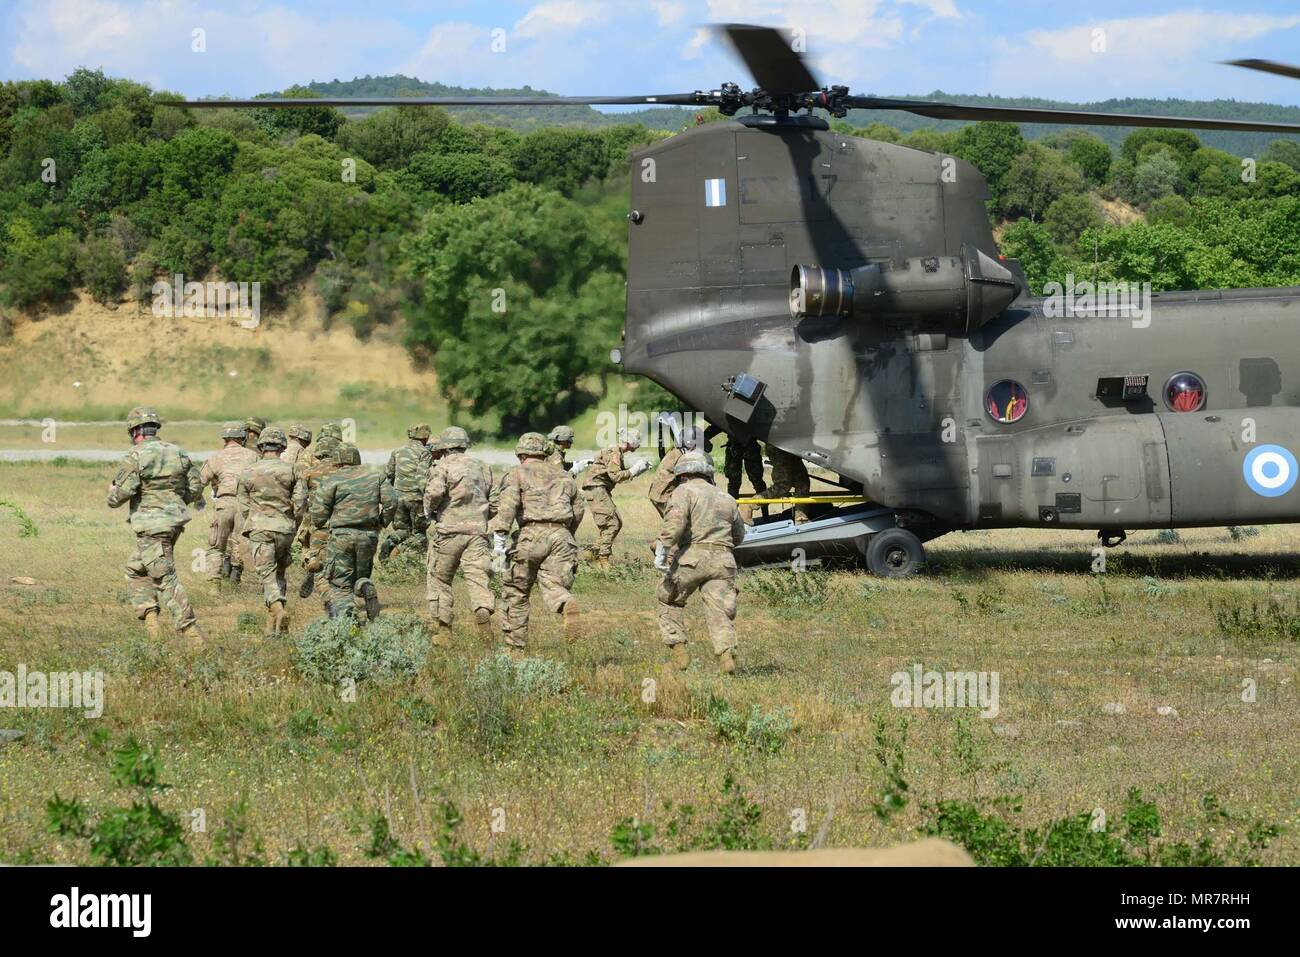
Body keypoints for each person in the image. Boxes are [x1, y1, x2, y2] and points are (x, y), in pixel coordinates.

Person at [107, 406, 205, 645]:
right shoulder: (178, 452)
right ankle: (152, 626)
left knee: (164, 578)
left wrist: (111, 494)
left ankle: (193, 637)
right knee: (136, 569)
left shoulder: (135, 455)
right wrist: (174, 503)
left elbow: (122, 493)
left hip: (151, 527)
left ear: (135, 431)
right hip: (173, 525)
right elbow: (195, 487)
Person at [653, 450, 746, 675]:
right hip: (724, 562)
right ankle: (725, 657)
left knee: (668, 599)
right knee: (719, 610)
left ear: (682, 474)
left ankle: (679, 655)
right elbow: (739, 535)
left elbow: (674, 525)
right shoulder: (727, 498)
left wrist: (662, 549)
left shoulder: (683, 492)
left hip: (692, 558)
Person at [490, 432, 584, 653]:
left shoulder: (517, 474)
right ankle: (565, 603)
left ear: (520, 455)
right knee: (553, 584)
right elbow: (579, 508)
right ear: (544, 453)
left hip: (531, 535)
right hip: (562, 536)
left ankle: (515, 649)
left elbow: (507, 508)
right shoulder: (564, 475)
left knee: (516, 591)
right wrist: (567, 533)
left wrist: (499, 544)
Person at [422, 426, 496, 645]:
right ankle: (482, 609)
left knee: (440, 579)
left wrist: (429, 510)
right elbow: (496, 499)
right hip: (477, 532)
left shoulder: (442, 466)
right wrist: (481, 516)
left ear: (444, 446)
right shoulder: (482, 466)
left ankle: (444, 630)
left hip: (448, 532)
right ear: (465, 445)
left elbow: (434, 493)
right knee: (477, 577)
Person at [309, 444, 396, 620]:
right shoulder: (376, 476)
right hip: (368, 536)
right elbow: (392, 502)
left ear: (338, 461)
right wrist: (381, 522)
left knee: (340, 585)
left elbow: (318, 514)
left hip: (341, 537)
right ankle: (365, 586)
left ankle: (348, 620)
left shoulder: (332, 480)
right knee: (361, 575)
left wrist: (321, 523)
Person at [236, 427, 303, 637]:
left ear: (261, 447)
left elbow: (243, 504)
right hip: (285, 529)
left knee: (267, 576)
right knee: (279, 574)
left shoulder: (248, 471)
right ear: (282, 447)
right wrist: (293, 523)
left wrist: (254, 519)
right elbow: (300, 503)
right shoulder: (291, 470)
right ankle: (272, 630)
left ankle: (278, 609)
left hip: (260, 528)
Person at [579, 427, 651, 567]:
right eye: (637, 441)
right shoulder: (615, 452)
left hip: (599, 488)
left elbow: (616, 474)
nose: (639, 445)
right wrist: (634, 469)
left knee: (615, 522)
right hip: (596, 488)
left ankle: (591, 553)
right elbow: (616, 476)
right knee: (612, 524)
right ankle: (603, 559)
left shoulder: (617, 452)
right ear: (630, 441)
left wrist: (637, 471)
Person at [198, 421, 258, 582]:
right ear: (243, 437)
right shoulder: (253, 457)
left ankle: (214, 585)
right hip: (245, 504)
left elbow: (198, 482)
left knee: (217, 544)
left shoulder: (216, 457)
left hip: (224, 504)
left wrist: (198, 500)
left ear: (224, 438)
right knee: (241, 542)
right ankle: (235, 578)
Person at [294, 425, 342, 599]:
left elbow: (300, 488)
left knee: (310, 544)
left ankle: (312, 568)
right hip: (340, 517)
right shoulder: (342, 466)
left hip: (315, 515)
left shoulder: (308, 462)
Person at [379, 423, 434, 562]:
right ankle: (400, 554)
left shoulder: (397, 451)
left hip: (397, 498)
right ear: (426, 437)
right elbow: (421, 477)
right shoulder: (425, 453)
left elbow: (387, 475)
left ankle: (389, 545)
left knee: (403, 530)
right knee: (419, 534)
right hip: (416, 499)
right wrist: (429, 499)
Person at [648, 424, 701, 519]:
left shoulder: (676, 450)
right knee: (679, 524)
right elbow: (688, 480)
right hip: (663, 496)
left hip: (658, 494)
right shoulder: (681, 457)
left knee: (676, 524)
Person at [703, 424, 766, 499]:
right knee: (733, 481)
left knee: (757, 479)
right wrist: (704, 436)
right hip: (734, 448)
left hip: (749, 446)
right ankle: (733, 508)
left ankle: (764, 508)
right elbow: (719, 424)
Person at [766, 445, 811, 524]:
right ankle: (750, 505)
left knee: (803, 483)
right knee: (783, 485)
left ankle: (800, 517)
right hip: (780, 446)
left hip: (790, 447)